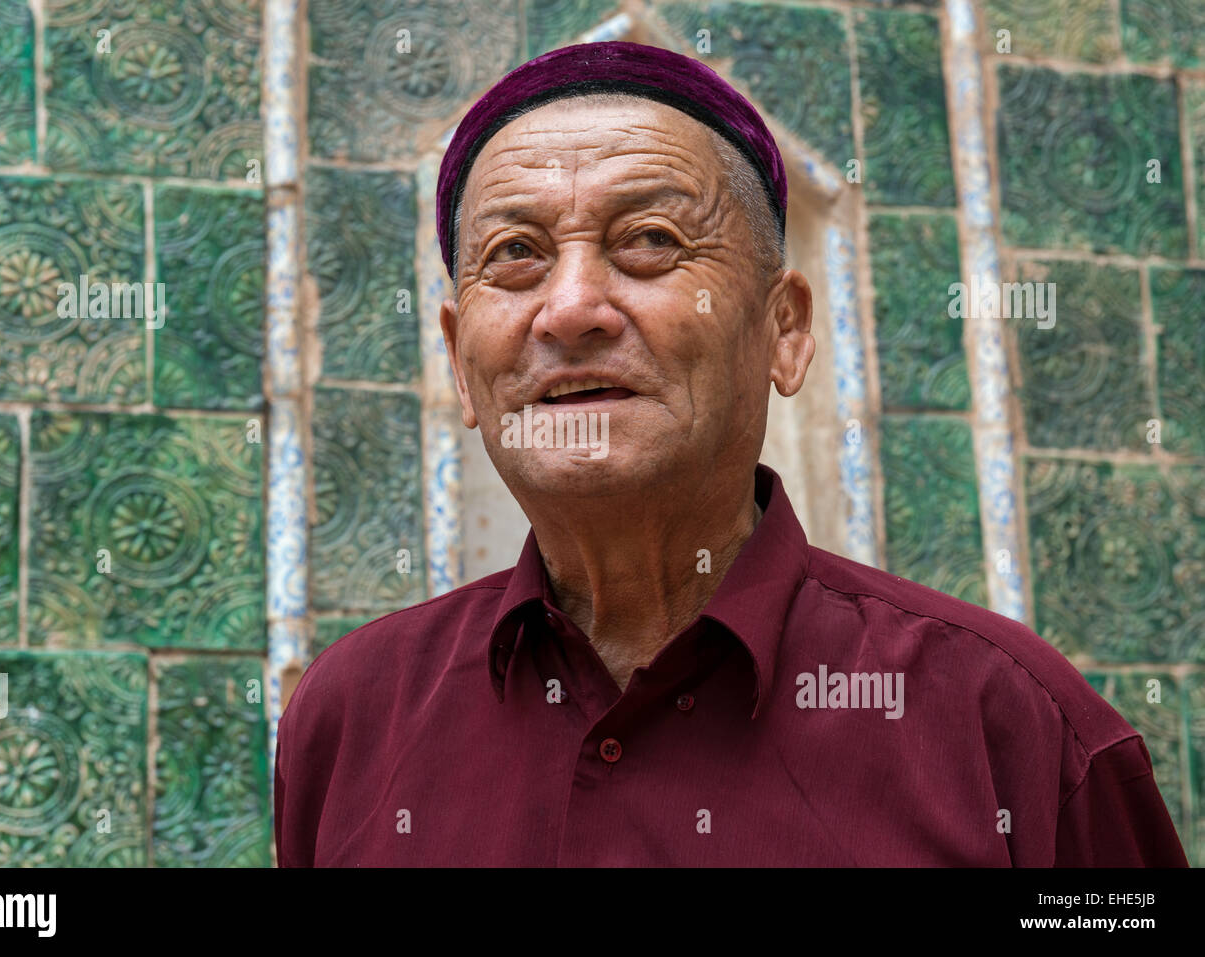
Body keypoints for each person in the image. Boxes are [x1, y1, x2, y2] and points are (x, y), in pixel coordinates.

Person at [275, 40, 1188, 867]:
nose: (572, 308)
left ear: (784, 330)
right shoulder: (353, 716)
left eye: (650, 242)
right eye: (516, 254)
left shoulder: (1011, 727)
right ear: (459, 364)